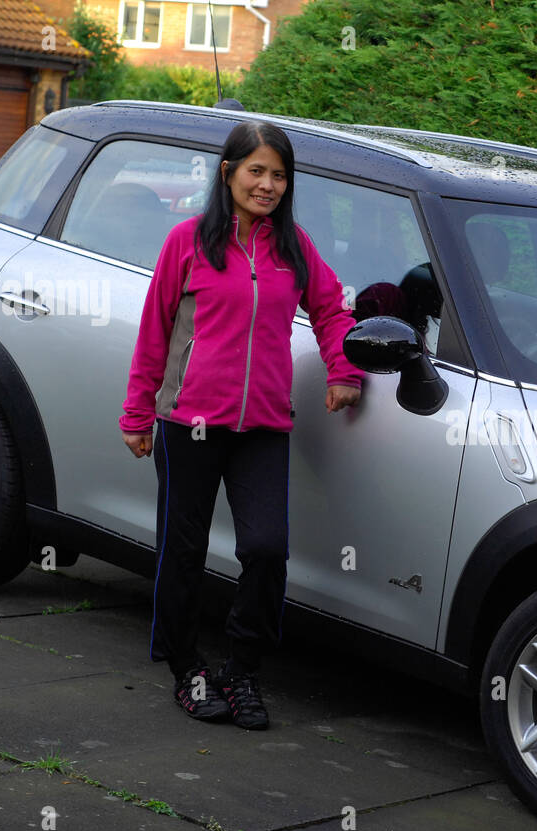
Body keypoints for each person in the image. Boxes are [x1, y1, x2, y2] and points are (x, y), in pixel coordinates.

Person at [118, 120, 363, 730]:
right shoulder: (187, 244)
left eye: (279, 174)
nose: (269, 184)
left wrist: (343, 370)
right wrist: (137, 410)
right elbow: (155, 330)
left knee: (266, 549)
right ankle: (186, 669)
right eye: (256, 170)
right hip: (189, 423)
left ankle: (241, 669)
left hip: (262, 426)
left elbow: (332, 309)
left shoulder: (292, 248)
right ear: (227, 173)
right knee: (184, 550)